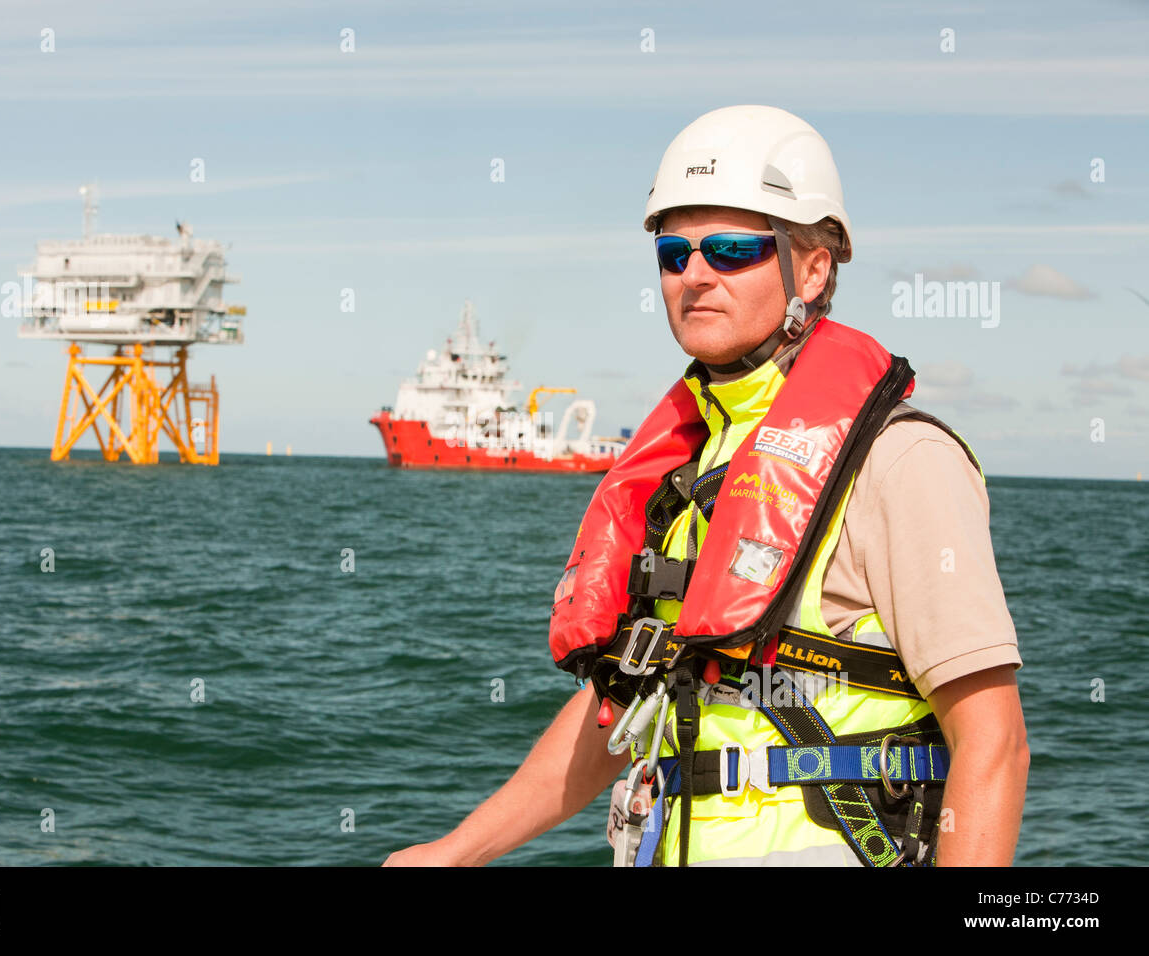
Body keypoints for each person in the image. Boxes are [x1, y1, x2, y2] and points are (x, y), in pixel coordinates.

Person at [384, 105, 1027, 867]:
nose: (694, 276)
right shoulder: (689, 477)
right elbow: (621, 709)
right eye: (674, 252)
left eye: (730, 250)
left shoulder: (898, 460)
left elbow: (994, 744)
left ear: (814, 267)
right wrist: (455, 851)